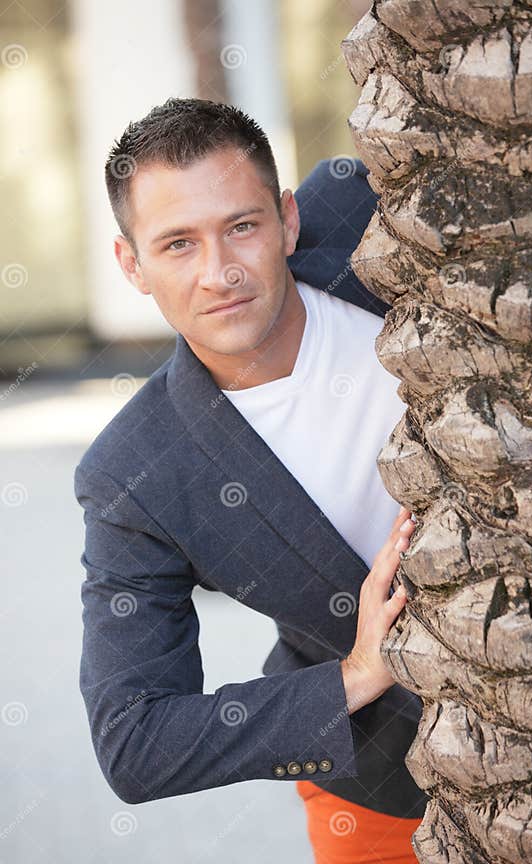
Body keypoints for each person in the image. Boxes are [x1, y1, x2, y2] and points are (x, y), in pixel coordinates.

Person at [74, 97, 428, 863]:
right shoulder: (133, 476)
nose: (220, 272)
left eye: (242, 225)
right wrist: (353, 677)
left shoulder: (368, 206)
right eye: (176, 244)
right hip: (389, 796)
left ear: (289, 220)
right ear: (131, 264)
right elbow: (135, 742)